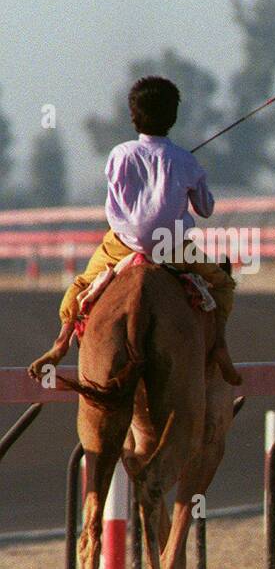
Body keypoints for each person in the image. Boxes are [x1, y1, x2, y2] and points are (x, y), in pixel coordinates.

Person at [28, 75, 239, 384]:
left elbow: (116, 199)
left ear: (133, 116)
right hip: (171, 246)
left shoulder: (119, 155)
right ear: (174, 117)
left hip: (121, 245)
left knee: (80, 284)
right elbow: (206, 209)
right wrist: (192, 176)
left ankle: (60, 344)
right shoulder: (185, 160)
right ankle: (219, 345)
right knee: (222, 285)